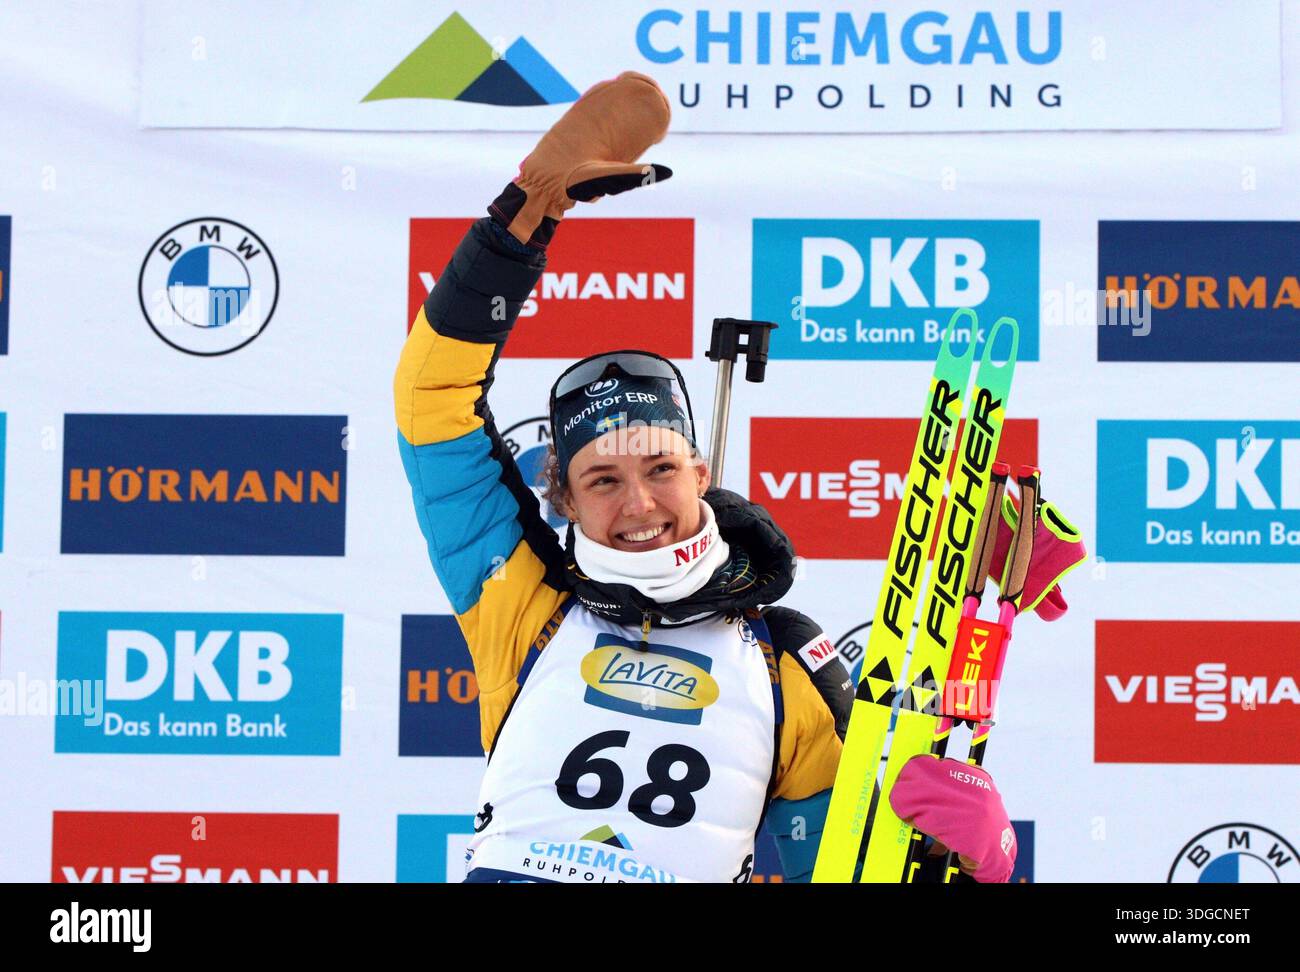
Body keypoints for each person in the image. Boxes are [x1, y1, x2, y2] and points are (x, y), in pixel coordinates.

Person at [394, 71, 1016, 883]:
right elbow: (430, 404)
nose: (640, 503)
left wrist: (971, 855)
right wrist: (523, 215)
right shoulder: (520, 595)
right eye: (604, 481)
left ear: (700, 469)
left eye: (659, 468)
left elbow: (836, 869)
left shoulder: (785, 658)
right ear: (566, 499)